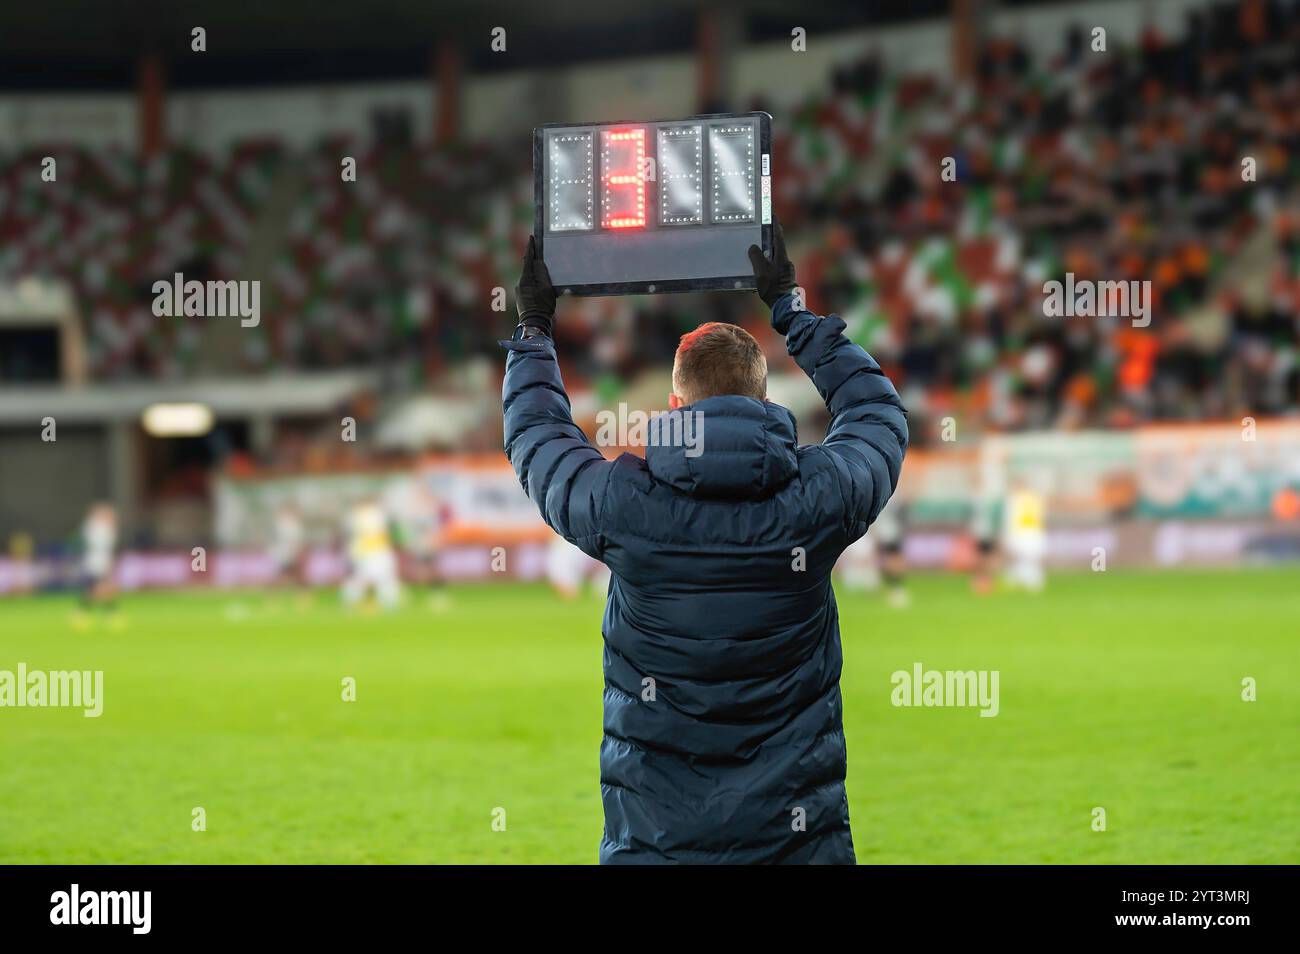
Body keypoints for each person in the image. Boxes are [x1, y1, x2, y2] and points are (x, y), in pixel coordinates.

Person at [501, 225, 907, 864]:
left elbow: (536, 439)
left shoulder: (624, 505)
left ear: (674, 403)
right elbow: (878, 415)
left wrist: (533, 328)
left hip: (657, 844)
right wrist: (794, 314)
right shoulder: (820, 498)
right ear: (763, 396)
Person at [341, 498, 401, 611]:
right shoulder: (362, 515)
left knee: (384, 578)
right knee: (364, 579)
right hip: (368, 552)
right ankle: (351, 601)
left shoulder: (366, 514)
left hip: (378, 551)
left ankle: (389, 604)